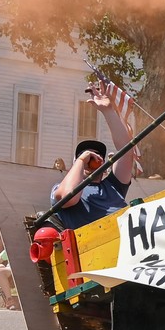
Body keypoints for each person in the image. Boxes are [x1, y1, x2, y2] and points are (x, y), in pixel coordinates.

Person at [50, 81, 136, 230]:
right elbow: (67, 197)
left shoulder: (113, 186)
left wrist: (108, 111)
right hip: (89, 243)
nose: (92, 158)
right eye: (84, 155)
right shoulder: (59, 187)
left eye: (97, 155)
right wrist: (82, 159)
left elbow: (127, 151)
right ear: (75, 164)